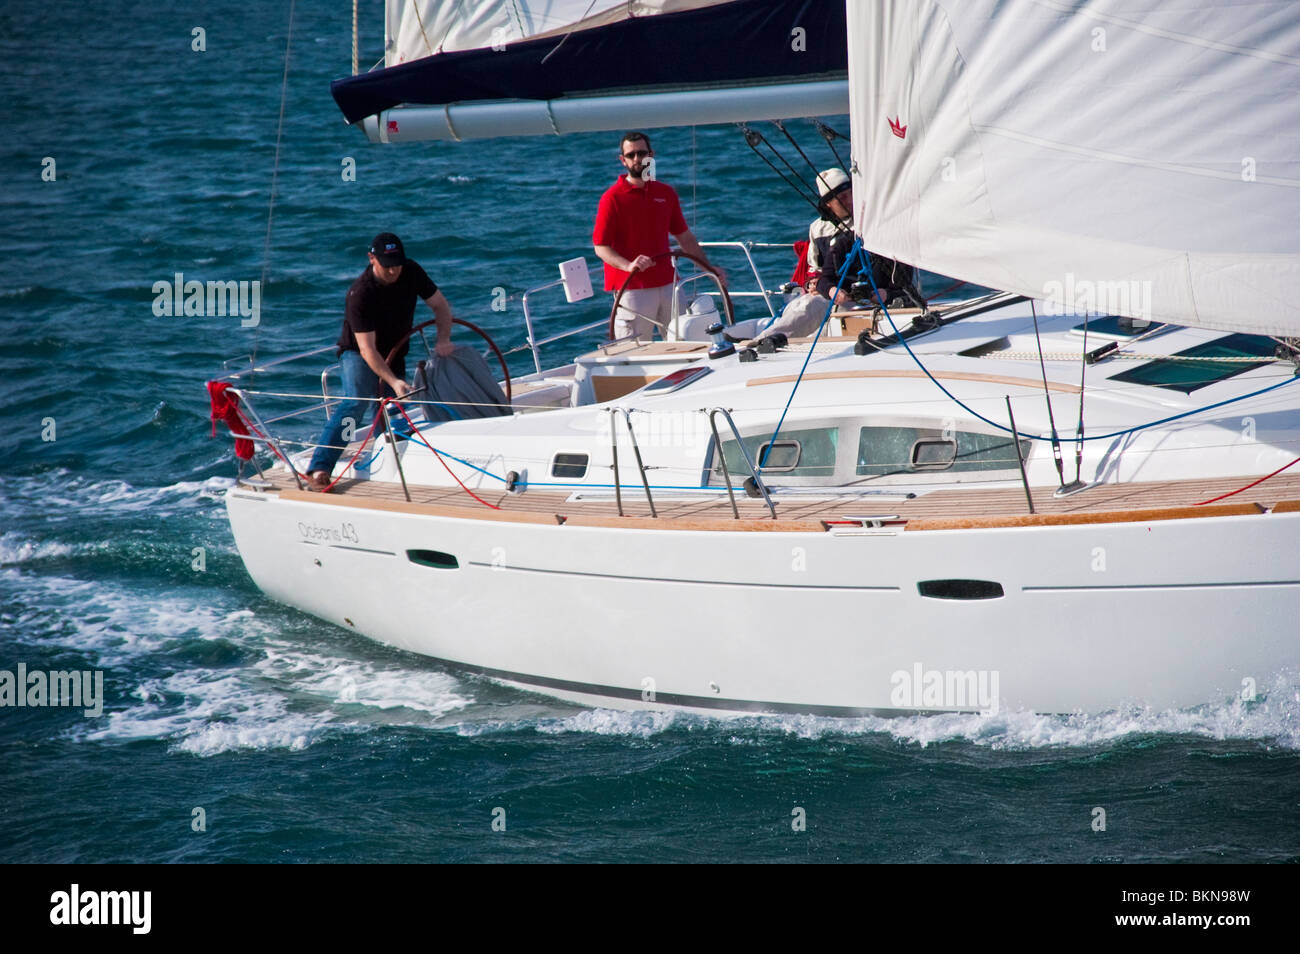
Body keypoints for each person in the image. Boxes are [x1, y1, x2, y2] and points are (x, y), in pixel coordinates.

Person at [305, 232, 455, 490]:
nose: (394, 270)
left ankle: (388, 464)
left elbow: (440, 306)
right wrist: (394, 380)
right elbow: (367, 350)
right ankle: (320, 468)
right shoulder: (359, 294)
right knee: (357, 402)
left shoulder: (411, 271)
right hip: (361, 353)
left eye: (397, 262)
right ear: (371, 258)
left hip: (395, 349)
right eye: (387, 264)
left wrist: (443, 340)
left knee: (390, 408)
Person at [593, 131, 724, 340]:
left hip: (669, 284)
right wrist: (628, 265)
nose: (637, 159)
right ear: (622, 160)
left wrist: (709, 270)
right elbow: (601, 247)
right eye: (631, 155)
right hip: (633, 287)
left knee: (684, 343)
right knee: (636, 352)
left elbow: (685, 238)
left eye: (642, 153)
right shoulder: (612, 199)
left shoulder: (665, 193)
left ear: (651, 155)